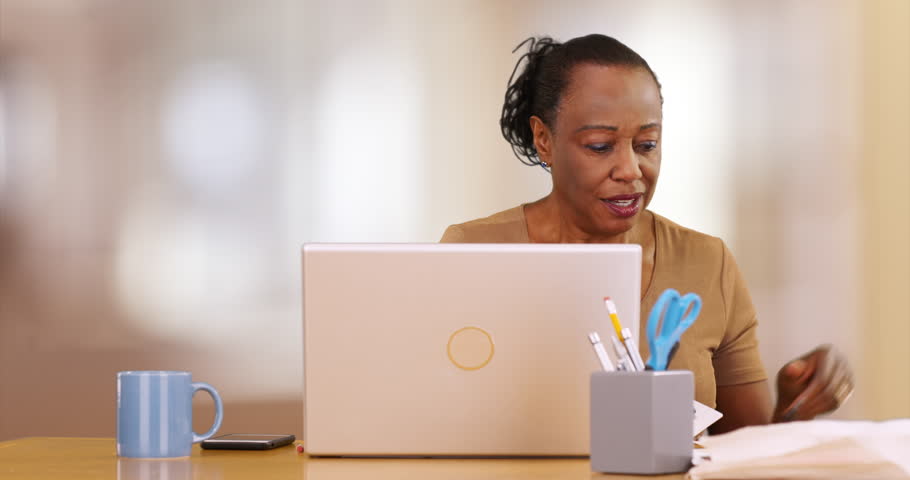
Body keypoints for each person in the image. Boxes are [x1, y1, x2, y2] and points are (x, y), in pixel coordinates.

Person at [439, 34, 854, 434]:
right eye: (601, 146)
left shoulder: (707, 263)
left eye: (647, 144)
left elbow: (746, 454)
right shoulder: (471, 252)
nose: (631, 170)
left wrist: (793, 407)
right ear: (544, 139)